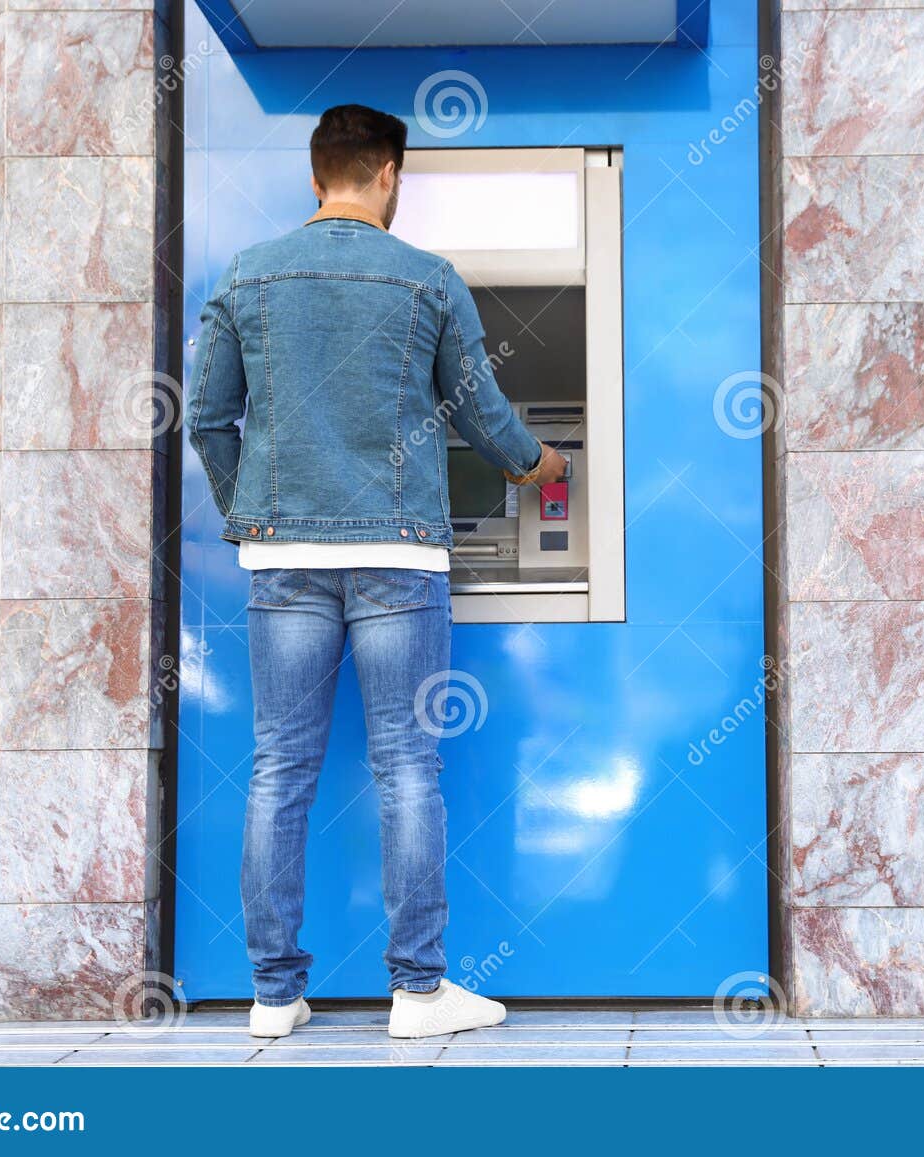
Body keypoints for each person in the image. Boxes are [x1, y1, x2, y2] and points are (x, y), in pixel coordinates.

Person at [185, 104, 566, 1039]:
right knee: (407, 764)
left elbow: (205, 419)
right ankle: (419, 992)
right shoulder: (429, 280)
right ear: (389, 174)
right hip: (399, 554)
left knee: (280, 768)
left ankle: (274, 997)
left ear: (319, 178)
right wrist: (539, 466)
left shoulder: (248, 277)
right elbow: (480, 411)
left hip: (288, 559)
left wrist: (253, 516)